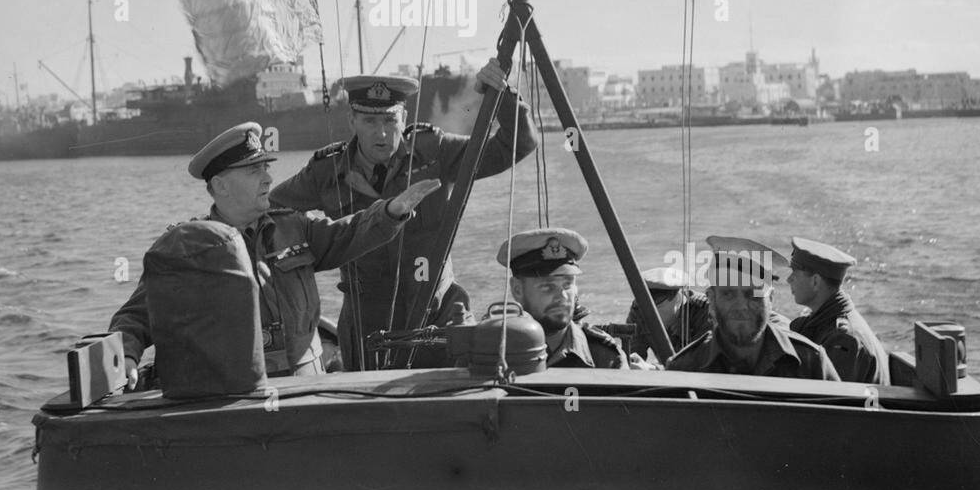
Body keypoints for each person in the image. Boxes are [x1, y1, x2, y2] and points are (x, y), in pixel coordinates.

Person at [108, 122, 440, 386]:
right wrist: (126, 356)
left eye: (266, 167)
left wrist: (391, 212)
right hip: (238, 397)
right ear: (221, 186)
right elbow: (136, 316)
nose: (269, 178)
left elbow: (347, 233)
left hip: (309, 389)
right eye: (255, 171)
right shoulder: (188, 248)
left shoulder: (293, 227)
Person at [268, 59, 537, 369]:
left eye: (390, 120)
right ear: (351, 120)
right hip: (367, 327)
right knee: (373, 413)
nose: (381, 133)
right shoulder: (327, 172)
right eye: (370, 122)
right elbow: (273, 212)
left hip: (438, 318)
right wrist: (317, 244)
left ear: (404, 117)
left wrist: (503, 95)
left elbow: (514, 146)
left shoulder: (433, 152)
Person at [666, 236, 840, 381]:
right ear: (711, 299)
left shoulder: (812, 364)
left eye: (753, 295)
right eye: (728, 294)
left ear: (770, 299)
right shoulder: (684, 368)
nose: (741, 306)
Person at [499, 228, 628, 370]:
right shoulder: (492, 353)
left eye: (567, 284)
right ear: (517, 289)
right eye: (547, 287)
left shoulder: (604, 358)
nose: (563, 296)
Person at [786, 237, 889, 385]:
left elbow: (832, 400)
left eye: (794, 274)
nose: (789, 280)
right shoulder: (822, 321)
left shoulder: (844, 339)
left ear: (815, 281)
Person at [626, 265, 711, 359]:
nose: (647, 313)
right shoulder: (638, 310)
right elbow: (634, 353)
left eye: (655, 307)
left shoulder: (703, 311)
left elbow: (701, 362)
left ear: (675, 296)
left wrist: (653, 368)